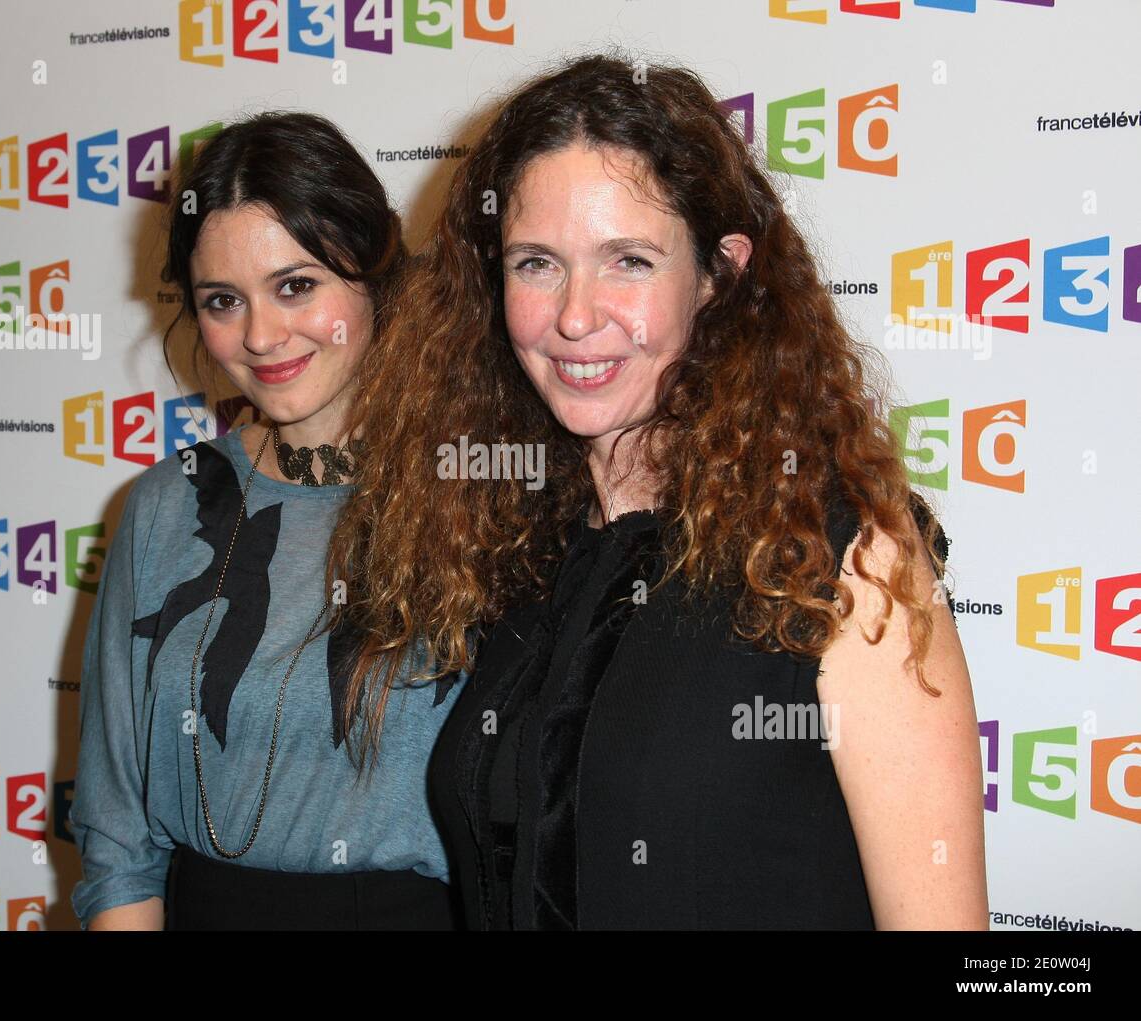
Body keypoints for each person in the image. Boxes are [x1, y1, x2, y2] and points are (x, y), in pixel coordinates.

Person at [327, 53, 990, 929]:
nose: (574, 313)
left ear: (720, 275)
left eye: (628, 260)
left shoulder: (844, 553)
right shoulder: (516, 550)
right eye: (536, 263)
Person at [68, 111, 463, 930]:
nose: (260, 335)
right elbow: (117, 842)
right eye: (223, 300)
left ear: (374, 273)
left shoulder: (478, 499)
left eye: (296, 285)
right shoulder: (166, 505)